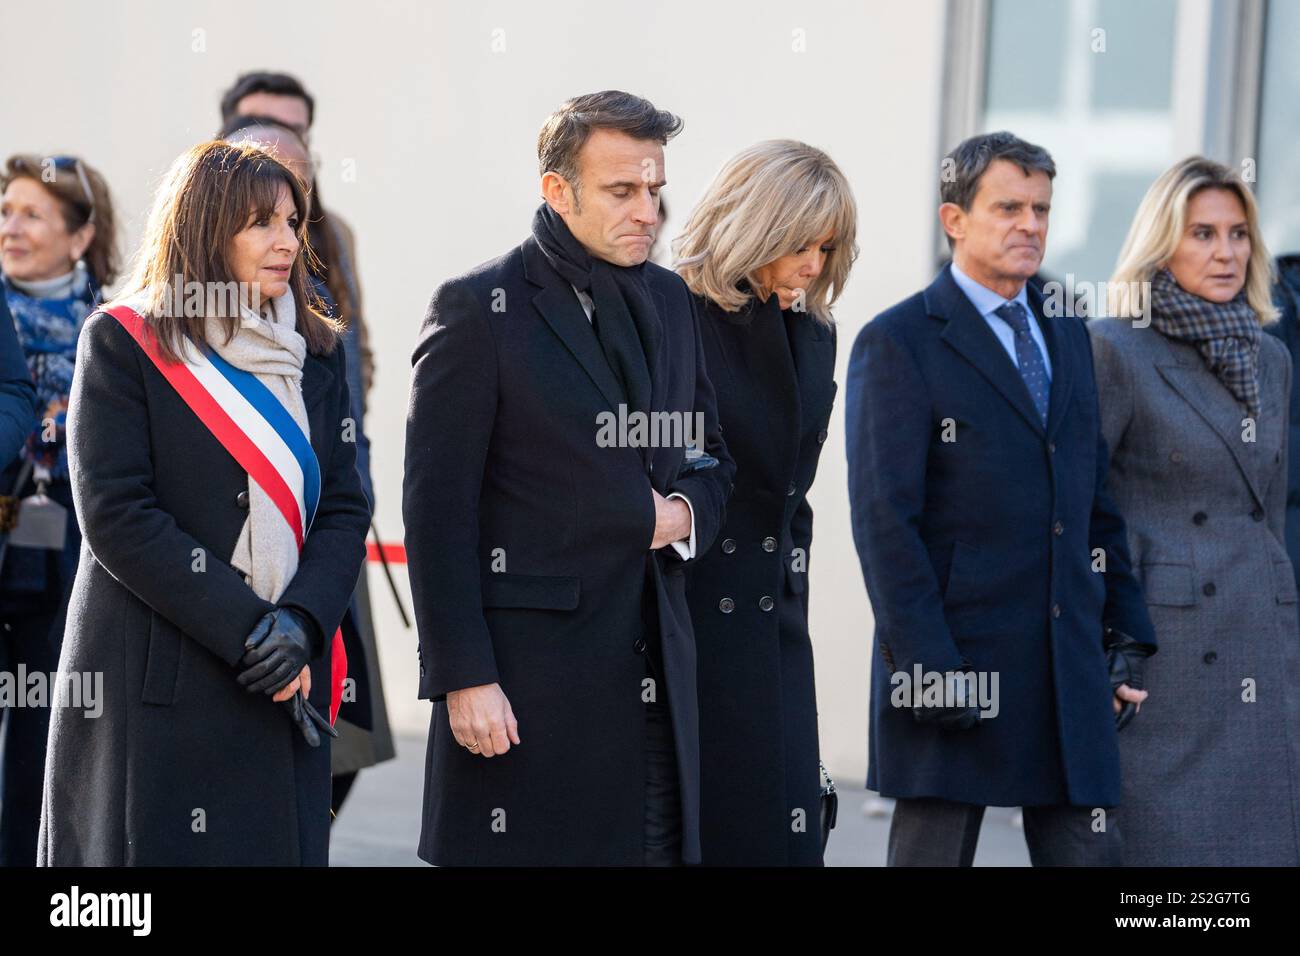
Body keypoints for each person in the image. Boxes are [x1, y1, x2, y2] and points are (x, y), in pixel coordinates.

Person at [403, 90, 734, 866]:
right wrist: (463, 678)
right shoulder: (478, 308)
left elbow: (710, 452)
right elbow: (437, 510)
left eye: (655, 189)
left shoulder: (672, 299)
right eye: (623, 191)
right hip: (526, 691)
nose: (648, 211)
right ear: (558, 189)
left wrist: (681, 514)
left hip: (657, 683)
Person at [37, 141, 370, 865]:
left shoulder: (313, 348)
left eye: (292, 221)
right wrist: (255, 630)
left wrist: (303, 622)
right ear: (203, 230)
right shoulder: (126, 342)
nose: (287, 242)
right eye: (260, 223)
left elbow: (345, 505)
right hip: (162, 681)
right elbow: (120, 516)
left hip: (285, 676)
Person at [846, 131, 1156, 867]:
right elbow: (886, 526)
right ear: (955, 220)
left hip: (1063, 665)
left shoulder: (1069, 330)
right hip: (955, 665)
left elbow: (1093, 496)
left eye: (1042, 209)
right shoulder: (899, 342)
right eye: (1009, 207)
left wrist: (1124, 630)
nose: (1031, 225)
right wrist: (928, 667)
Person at [1090, 157, 1300, 866]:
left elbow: (1264, 510)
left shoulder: (1270, 357)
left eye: (1239, 234)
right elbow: (1086, 509)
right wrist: (1102, 640)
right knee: (1170, 848)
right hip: (1165, 643)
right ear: (1162, 244)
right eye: (1203, 233)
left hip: (1259, 628)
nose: (1226, 253)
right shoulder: (1115, 349)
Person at [673, 140, 857, 865]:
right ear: (754, 226)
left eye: (827, 246)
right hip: (687, 612)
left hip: (774, 620)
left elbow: (794, 491)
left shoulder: (815, 332)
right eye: (799, 244)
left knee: (784, 834)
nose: (814, 264)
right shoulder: (674, 314)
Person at [219, 112, 394, 815]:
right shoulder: (145, 335)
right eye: (264, 208)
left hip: (322, 540)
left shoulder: (325, 273)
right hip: (222, 590)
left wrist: (353, 465)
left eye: (297, 192)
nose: (284, 233)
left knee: (341, 737)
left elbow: (361, 357)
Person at [0, 154, 114, 866]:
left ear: (78, 237)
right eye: (5, 211)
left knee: (44, 736)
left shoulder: (117, 323)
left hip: (70, 551)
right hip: (4, 523)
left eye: (32, 214)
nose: (11, 228)